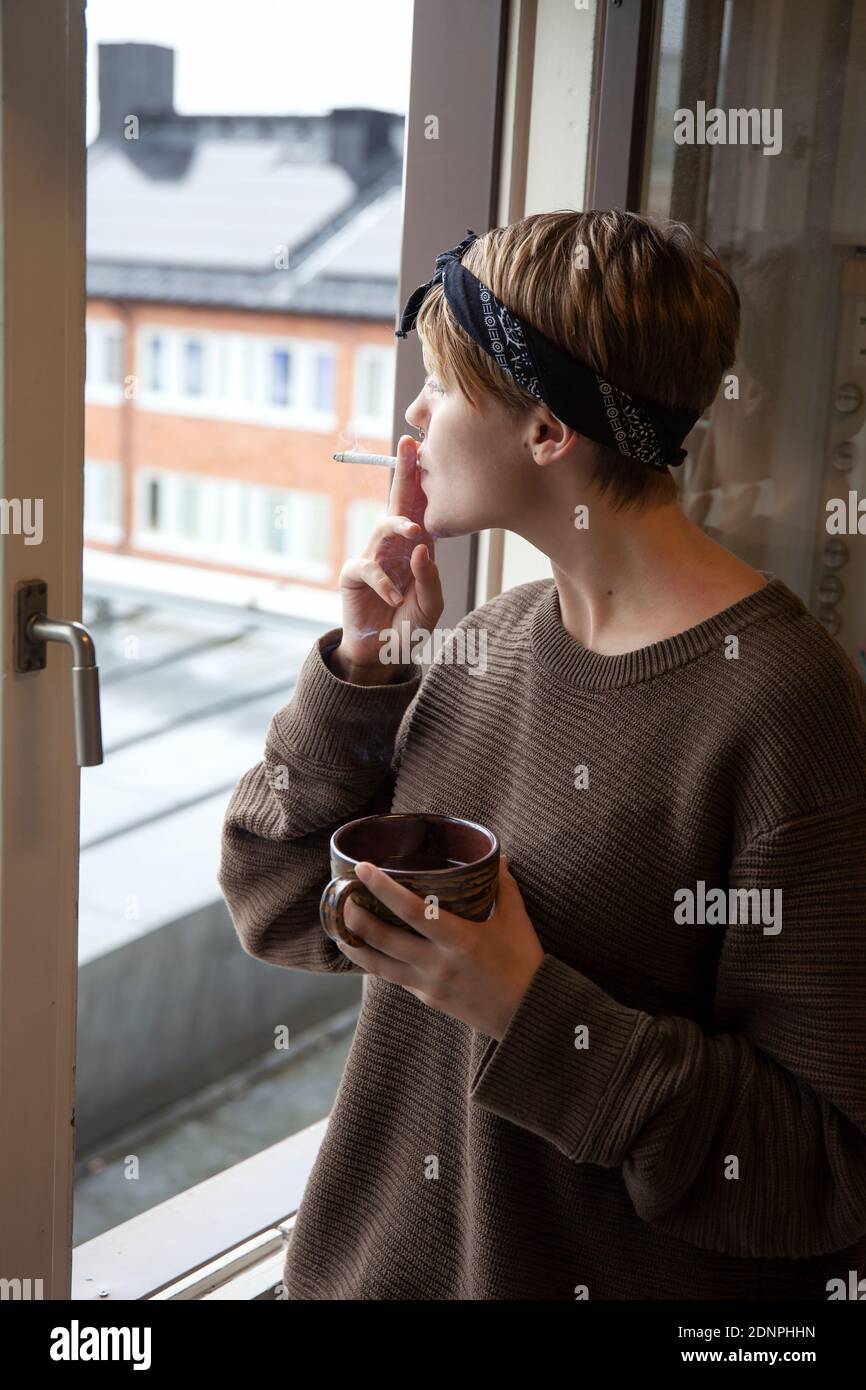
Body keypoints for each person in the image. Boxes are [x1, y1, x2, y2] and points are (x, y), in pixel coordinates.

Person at [217, 209, 866, 1301]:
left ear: (549, 433)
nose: (411, 417)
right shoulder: (485, 641)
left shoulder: (786, 712)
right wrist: (362, 674)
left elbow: (821, 1169)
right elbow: (278, 901)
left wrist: (527, 1009)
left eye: (440, 383)